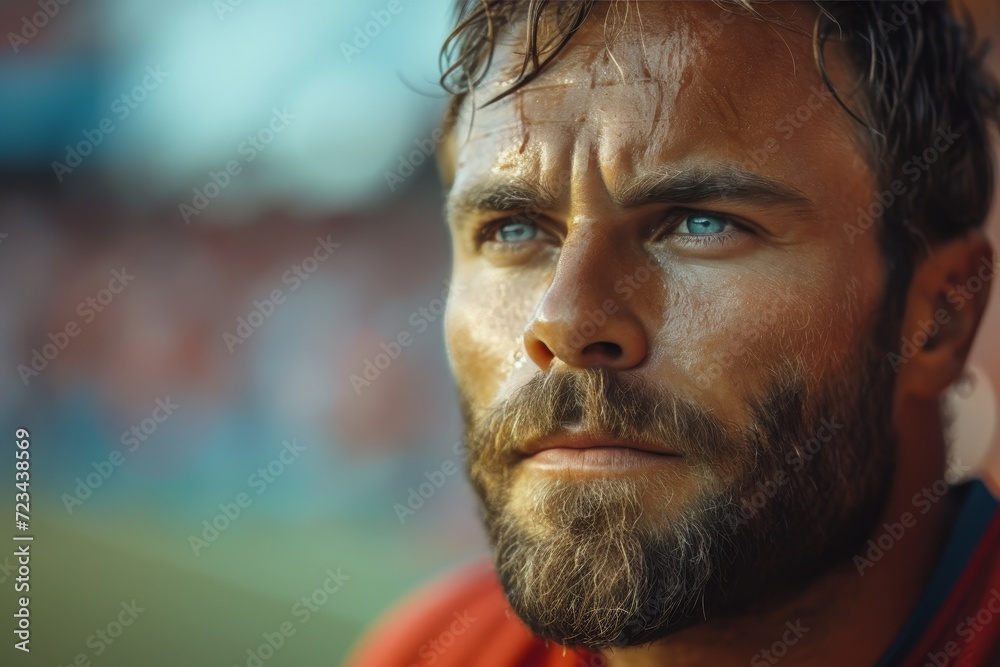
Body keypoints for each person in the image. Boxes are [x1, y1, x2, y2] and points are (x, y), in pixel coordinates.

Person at [347, 1, 1000, 665]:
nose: (565, 323)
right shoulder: (430, 649)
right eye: (514, 229)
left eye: (700, 223)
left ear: (940, 317)